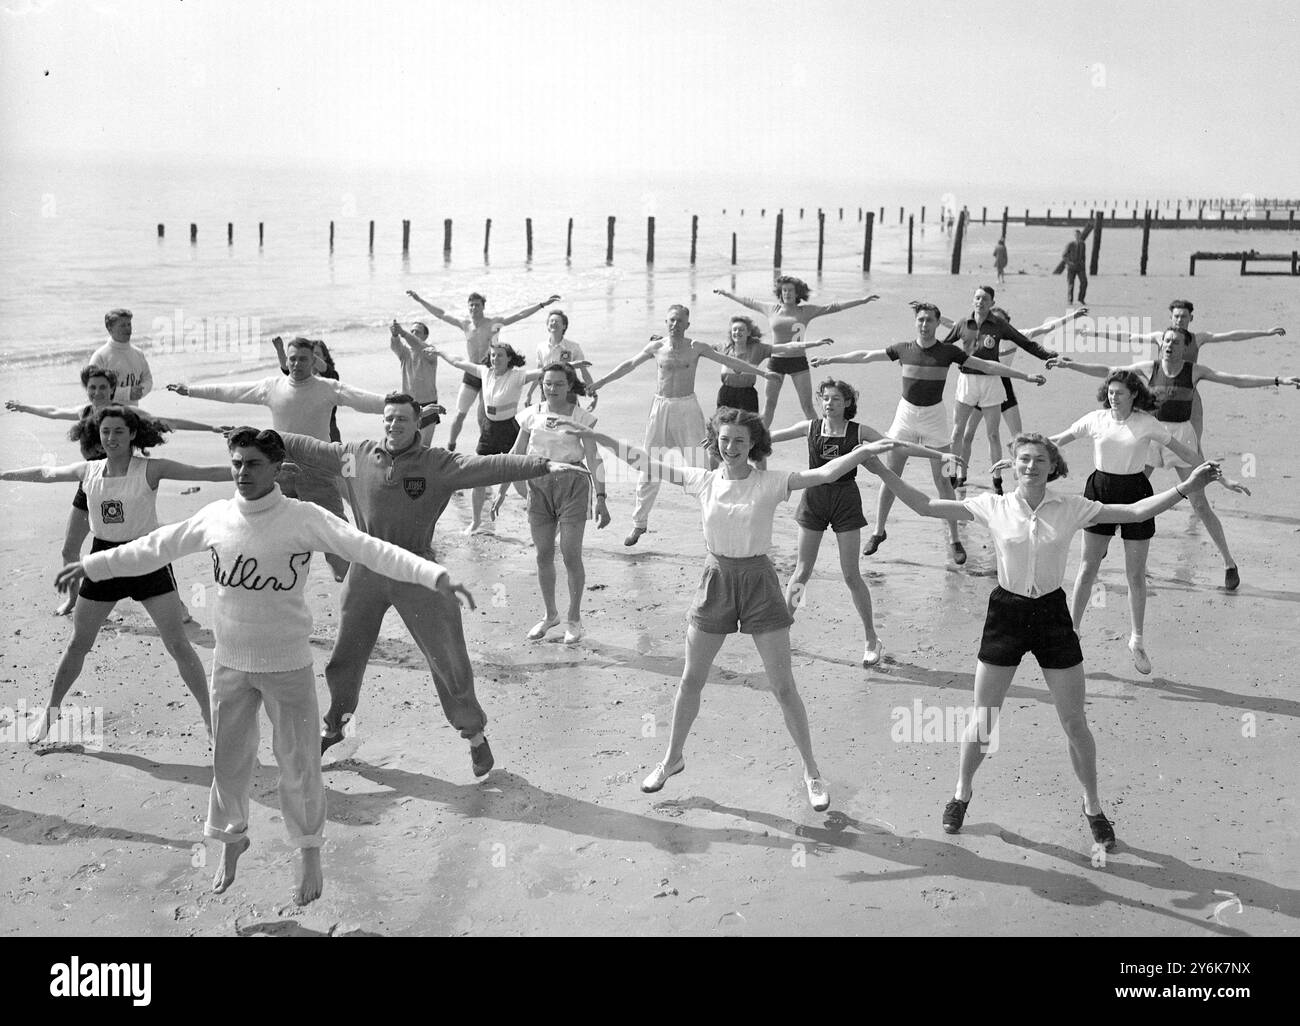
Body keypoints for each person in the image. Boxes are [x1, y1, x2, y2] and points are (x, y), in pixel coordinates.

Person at [56, 427, 474, 906]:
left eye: (252, 464)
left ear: (278, 469)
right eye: (236, 463)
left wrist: (433, 574)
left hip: (288, 666)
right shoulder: (216, 517)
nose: (241, 472)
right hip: (230, 664)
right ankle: (232, 840)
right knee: (228, 764)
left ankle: (310, 851)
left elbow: (369, 548)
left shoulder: (303, 518)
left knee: (299, 766)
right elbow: (155, 547)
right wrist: (94, 565)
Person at [860, 433, 1225, 849]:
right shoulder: (993, 506)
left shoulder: (1071, 507)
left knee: (1074, 722)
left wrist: (1186, 487)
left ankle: (1092, 805)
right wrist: (880, 469)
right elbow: (926, 506)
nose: (1029, 466)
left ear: (1053, 466)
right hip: (1006, 615)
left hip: (1052, 615)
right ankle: (962, 792)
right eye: (1022, 460)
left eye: (1038, 460)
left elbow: (1136, 509)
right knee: (984, 718)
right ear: (1012, 466)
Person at [564, 408, 901, 812]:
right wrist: (597, 438)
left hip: (759, 582)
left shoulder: (771, 482)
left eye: (740, 441)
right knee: (691, 679)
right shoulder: (702, 480)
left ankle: (811, 771)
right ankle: (672, 758)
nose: (731, 447)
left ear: (753, 444)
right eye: (724, 440)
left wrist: (863, 451)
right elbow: (645, 461)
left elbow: (825, 475)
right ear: (715, 441)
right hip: (716, 579)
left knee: (783, 686)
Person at [277, 394, 586, 773]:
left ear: (417, 423)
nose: (393, 426)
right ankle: (337, 726)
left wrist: (542, 465)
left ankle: (474, 735)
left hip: (416, 570)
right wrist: (266, 436)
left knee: (447, 656)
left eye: (402, 420)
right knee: (346, 655)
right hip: (367, 569)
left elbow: (489, 466)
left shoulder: (438, 464)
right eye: (388, 419)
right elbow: (310, 448)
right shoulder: (356, 456)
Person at [1, 406, 231, 743]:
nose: (111, 438)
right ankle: (49, 713)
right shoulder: (88, 470)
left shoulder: (151, 469)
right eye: (106, 431)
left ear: (133, 434)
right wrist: (4, 475)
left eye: (119, 431)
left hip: (147, 559)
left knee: (178, 643)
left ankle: (209, 717)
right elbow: (46, 473)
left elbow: (205, 473)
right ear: (98, 434)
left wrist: (264, 471)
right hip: (103, 561)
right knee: (79, 642)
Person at [1051, 328, 1296, 591]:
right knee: (1124, 488)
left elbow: (1234, 379)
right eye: (1166, 340)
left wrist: (1277, 379)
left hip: (1178, 435)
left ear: (1185, 347)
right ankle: (1101, 546)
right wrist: (1071, 364)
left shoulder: (1194, 370)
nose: (1169, 345)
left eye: (1176, 342)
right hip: (1142, 436)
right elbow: (1109, 371)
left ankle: (1228, 562)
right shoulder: (1148, 367)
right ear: (1161, 344)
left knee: (1200, 504)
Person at [1044, 369, 1246, 674]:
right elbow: (1058, 440)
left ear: (1134, 394)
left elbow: (1188, 454)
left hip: (1136, 492)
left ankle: (1136, 640)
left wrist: (1223, 478)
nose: (1113, 398)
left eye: (1119, 393)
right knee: (1088, 567)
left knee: (1135, 574)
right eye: (1110, 392)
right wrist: (1024, 449)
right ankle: (1073, 631)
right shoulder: (1095, 420)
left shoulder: (1146, 423)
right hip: (1099, 491)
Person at [812, 302, 1045, 564]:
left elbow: (988, 366)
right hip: (906, 417)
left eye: (929, 320)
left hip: (935, 419)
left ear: (938, 323)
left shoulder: (948, 352)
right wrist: (831, 359)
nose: (924, 325)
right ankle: (878, 531)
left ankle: (954, 538)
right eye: (920, 320)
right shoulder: (903, 349)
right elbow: (866, 356)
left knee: (944, 480)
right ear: (916, 322)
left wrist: (1025, 376)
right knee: (890, 475)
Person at [7, 365, 226, 614]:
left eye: (103, 387)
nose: (97, 392)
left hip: (128, 487)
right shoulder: (85, 413)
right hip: (91, 485)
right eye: (92, 387)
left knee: (144, 547)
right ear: (86, 390)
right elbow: (54, 412)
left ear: (112, 388)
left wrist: (210, 428)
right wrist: (25, 408)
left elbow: (167, 422)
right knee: (69, 549)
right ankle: (73, 599)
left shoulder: (127, 414)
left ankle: (174, 603)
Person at [167, 337, 391, 579]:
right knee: (272, 527)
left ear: (312, 360)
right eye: (292, 359)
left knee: (334, 531)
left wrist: (408, 408)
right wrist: (190, 391)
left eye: (302, 359)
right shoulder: (272, 386)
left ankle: (349, 581)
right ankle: (269, 577)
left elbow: (365, 400)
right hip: (280, 468)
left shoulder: (327, 388)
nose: (296, 364)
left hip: (317, 470)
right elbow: (233, 391)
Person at [769, 378, 955, 668]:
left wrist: (940, 453)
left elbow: (898, 445)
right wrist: (728, 435)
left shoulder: (859, 432)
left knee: (850, 574)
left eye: (836, 399)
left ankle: (870, 638)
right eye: (826, 398)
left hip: (845, 500)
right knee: (802, 571)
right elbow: (767, 436)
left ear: (848, 403)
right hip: (814, 498)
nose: (830, 403)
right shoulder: (809, 428)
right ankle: (781, 629)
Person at [586, 304, 778, 546]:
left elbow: (729, 361)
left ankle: (719, 522)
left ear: (687, 324)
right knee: (649, 465)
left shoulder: (695, 347)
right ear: (666, 323)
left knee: (701, 469)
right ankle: (639, 524)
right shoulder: (657, 347)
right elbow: (629, 365)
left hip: (687, 409)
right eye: (671, 320)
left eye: (679, 321)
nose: (675, 324)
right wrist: (600, 382)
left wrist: (762, 375)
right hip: (661, 409)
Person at [501, 365, 606, 644]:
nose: (552, 388)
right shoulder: (530, 415)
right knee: (543, 554)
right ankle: (550, 616)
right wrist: (501, 491)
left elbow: (594, 459)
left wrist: (601, 498)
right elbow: (516, 454)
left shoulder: (582, 417)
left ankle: (574, 619)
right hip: (539, 483)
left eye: (559, 384)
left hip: (573, 483)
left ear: (570, 385)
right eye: (548, 383)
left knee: (571, 554)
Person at [1083, 299, 1288, 442]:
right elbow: (1128, 336)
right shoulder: (1160, 337)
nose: (1179, 320)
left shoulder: (1198, 338)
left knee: (1194, 440)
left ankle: (1193, 471)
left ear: (1191, 318)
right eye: (1176, 316)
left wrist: (1265, 333)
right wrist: (1094, 333)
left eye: (1183, 317)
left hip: (1189, 390)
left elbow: (1232, 336)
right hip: (1160, 388)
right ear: (1171, 317)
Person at [947, 306, 1088, 493]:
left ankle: (1016, 473)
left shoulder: (1016, 334)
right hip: (982, 383)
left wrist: (1072, 316)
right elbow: (953, 326)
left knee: (1016, 436)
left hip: (1003, 384)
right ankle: (961, 475)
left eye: (998, 320)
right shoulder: (978, 332)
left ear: (1005, 323)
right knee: (967, 434)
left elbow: (1046, 328)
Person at [406, 290, 561, 451]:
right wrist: (420, 300)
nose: (474, 308)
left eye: (477, 305)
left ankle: (487, 444)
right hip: (473, 371)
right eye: (471, 305)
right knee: (460, 413)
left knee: (484, 414)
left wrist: (542, 304)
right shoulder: (465, 324)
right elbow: (441, 314)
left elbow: (520, 315)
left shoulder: (493, 324)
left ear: (483, 307)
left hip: (491, 372)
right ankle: (451, 446)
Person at [713, 278, 879, 425]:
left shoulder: (805, 311)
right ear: (780, 292)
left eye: (791, 290)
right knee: (769, 406)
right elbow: (748, 302)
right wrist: (727, 294)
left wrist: (862, 301)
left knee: (807, 406)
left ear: (797, 292)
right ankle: (759, 441)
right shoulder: (772, 309)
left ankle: (821, 436)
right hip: (776, 361)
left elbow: (833, 307)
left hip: (798, 361)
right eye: (784, 290)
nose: (787, 293)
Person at [942, 286, 1057, 492]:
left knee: (993, 434)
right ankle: (952, 475)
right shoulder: (962, 324)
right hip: (966, 381)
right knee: (957, 432)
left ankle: (997, 480)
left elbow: (1026, 343)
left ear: (992, 303)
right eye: (977, 298)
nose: (980, 302)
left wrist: (1048, 356)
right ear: (973, 300)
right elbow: (942, 347)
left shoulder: (999, 325)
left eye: (985, 299)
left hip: (991, 382)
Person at [427, 341, 545, 534]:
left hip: (510, 429)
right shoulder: (485, 372)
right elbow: (458, 362)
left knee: (518, 481)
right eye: (492, 355)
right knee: (478, 477)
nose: (495, 359)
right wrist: (439, 351)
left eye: (499, 355)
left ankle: (543, 512)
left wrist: (572, 366)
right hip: (489, 430)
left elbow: (544, 371)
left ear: (509, 358)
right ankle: (475, 522)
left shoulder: (517, 376)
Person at [712, 314, 832, 419]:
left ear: (748, 332)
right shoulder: (724, 348)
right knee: (721, 426)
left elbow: (788, 346)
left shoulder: (758, 349)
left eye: (741, 330)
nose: (737, 333)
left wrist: (814, 343)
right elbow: (700, 349)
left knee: (749, 429)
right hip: (726, 393)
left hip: (747, 395)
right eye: (735, 330)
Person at [273, 336, 343, 442]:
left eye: (317, 354)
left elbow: (325, 369)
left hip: (329, 428)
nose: (313, 358)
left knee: (334, 456)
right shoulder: (300, 377)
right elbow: (286, 368)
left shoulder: (330, 376)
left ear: (324, 357)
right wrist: (279, 349)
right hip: (306, 429)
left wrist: (307, 354)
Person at [522, 309, 596, 408]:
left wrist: (594, 394)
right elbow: (539, 372)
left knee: (570, 421)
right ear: (548, 326)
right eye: (551, 321)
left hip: (568, 392)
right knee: (548, 421)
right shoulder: (541, 347)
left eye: (557, 321)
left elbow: (584, 372)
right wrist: (529, 394)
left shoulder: (573, 347)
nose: (553, 323)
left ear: (564, 326)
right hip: (547, 391)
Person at [388, 321, 443, 433]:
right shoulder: (405, 352)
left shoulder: (430, 351)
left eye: (417, 332)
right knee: (408, 442)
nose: (413, 333)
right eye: (411, 331)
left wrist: (403, 333)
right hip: (409, 404)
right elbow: (395, 345)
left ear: (425, 336)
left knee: (425, 446)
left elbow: (418, 345)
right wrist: (394, 334)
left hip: (429, 402)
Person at [90, 308, 152, 403]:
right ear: (110, 328)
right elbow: (93, 389)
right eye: (122, 325)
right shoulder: (100, 356)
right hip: (107, 415)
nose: (128, 329)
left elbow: (148, 380)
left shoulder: (138, 353)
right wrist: (127, 393)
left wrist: (140, 391)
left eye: (129, 324)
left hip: (132, 413)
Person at [1053, 225, 1093, 305]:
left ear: (1080, 235)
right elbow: (1064, 255)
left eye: (1079, 235)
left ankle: (1081, 299)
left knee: (1084, 282)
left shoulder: (1083, 244)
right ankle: (1070, 300)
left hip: (1080, 267)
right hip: (1071, 267)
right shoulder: (1070, 244)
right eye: (1076, 235)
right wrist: (1069, 262)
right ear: (1074, 236)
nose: (1078, 237)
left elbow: (1083, 256)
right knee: (1071, 283)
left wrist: (1084, 266)